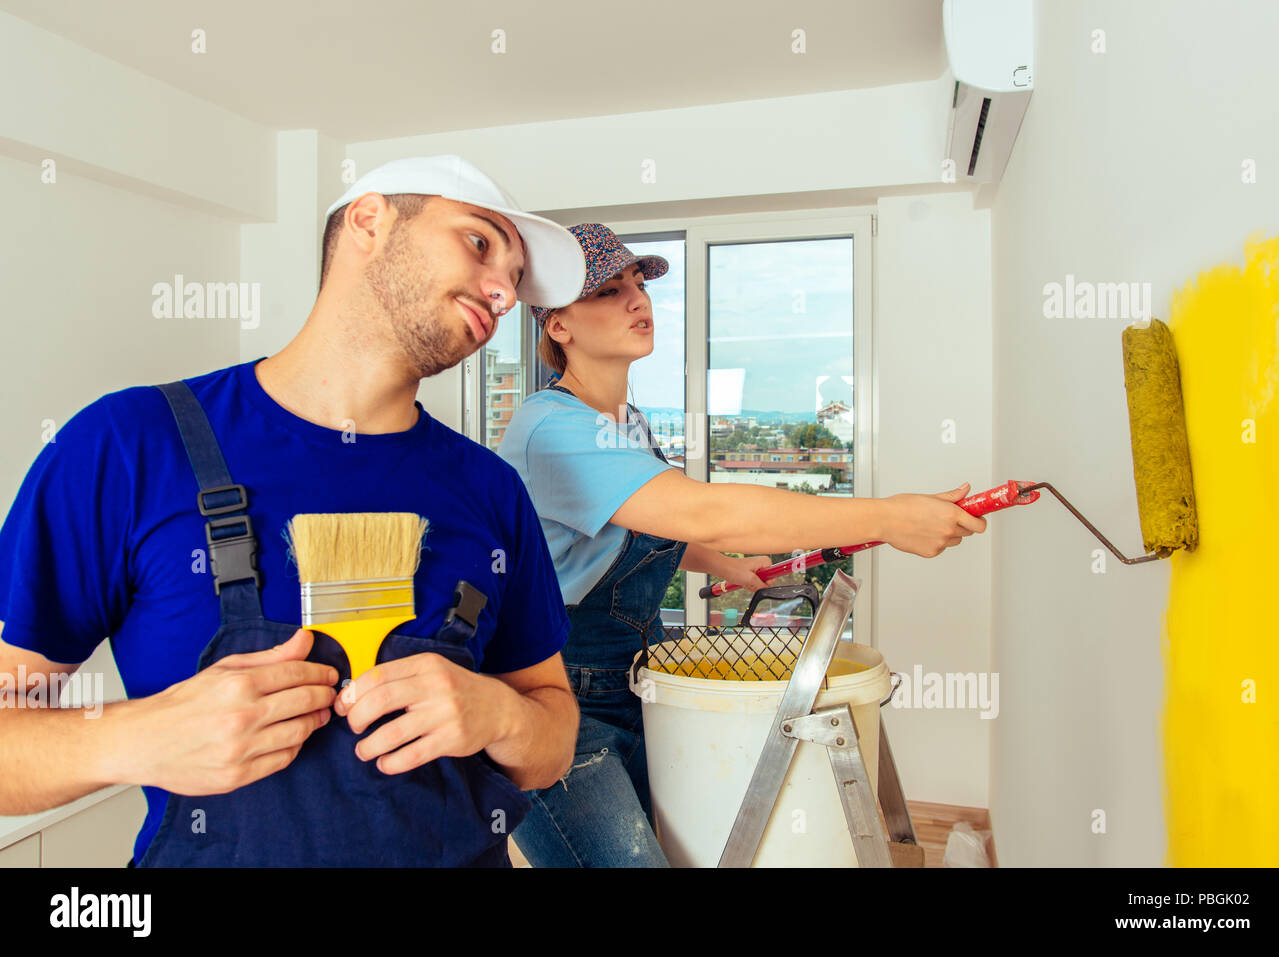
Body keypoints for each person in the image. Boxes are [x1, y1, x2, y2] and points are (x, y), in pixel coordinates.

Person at [0, 155, 586, 867]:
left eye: (516, 282)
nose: (503, 292)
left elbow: (552, 739)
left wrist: (497, 714)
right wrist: (139, 736)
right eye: (480, 242)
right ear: (369, 220)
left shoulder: (491, 490)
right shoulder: (128, 445)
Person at [498, 223, 988, 867]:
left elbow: (646, 521)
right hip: (555, 691)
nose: (637, 300)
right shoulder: (553, 427)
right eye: (609, 291)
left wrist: (728, 564)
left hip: (634, 679)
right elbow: (703, 511)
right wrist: (890, 518)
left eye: (638, 284)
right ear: (558, 325)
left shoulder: (625, 423)